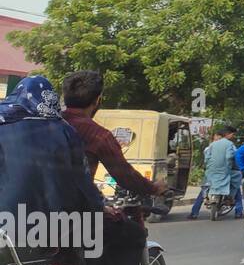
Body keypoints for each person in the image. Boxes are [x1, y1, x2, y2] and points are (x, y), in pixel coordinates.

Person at [0, 76, 143, 265]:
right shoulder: (63, 130)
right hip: (48, 223)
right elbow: (81, 182)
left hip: (5, 225)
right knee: (130, 235)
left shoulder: (3, 122)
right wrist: (100, 207)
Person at [60, 71, 169, 213]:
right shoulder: (98, 135)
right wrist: (155, 188)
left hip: (32, 210)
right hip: (76, 214)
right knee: (132, 231)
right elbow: (125, 176)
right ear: (97, 100)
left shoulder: (47, 125)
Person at [191, 124, 243, 219]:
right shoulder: (230, 144)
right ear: (228, 134)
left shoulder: (212, 145)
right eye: (232, 134)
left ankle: (194, 213)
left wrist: (209, 167)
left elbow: (206, 158)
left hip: (211, 173)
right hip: (226, 172)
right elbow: (230, 157)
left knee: (204, 189)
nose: (233, 137)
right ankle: (238, 212)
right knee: (236, 185)